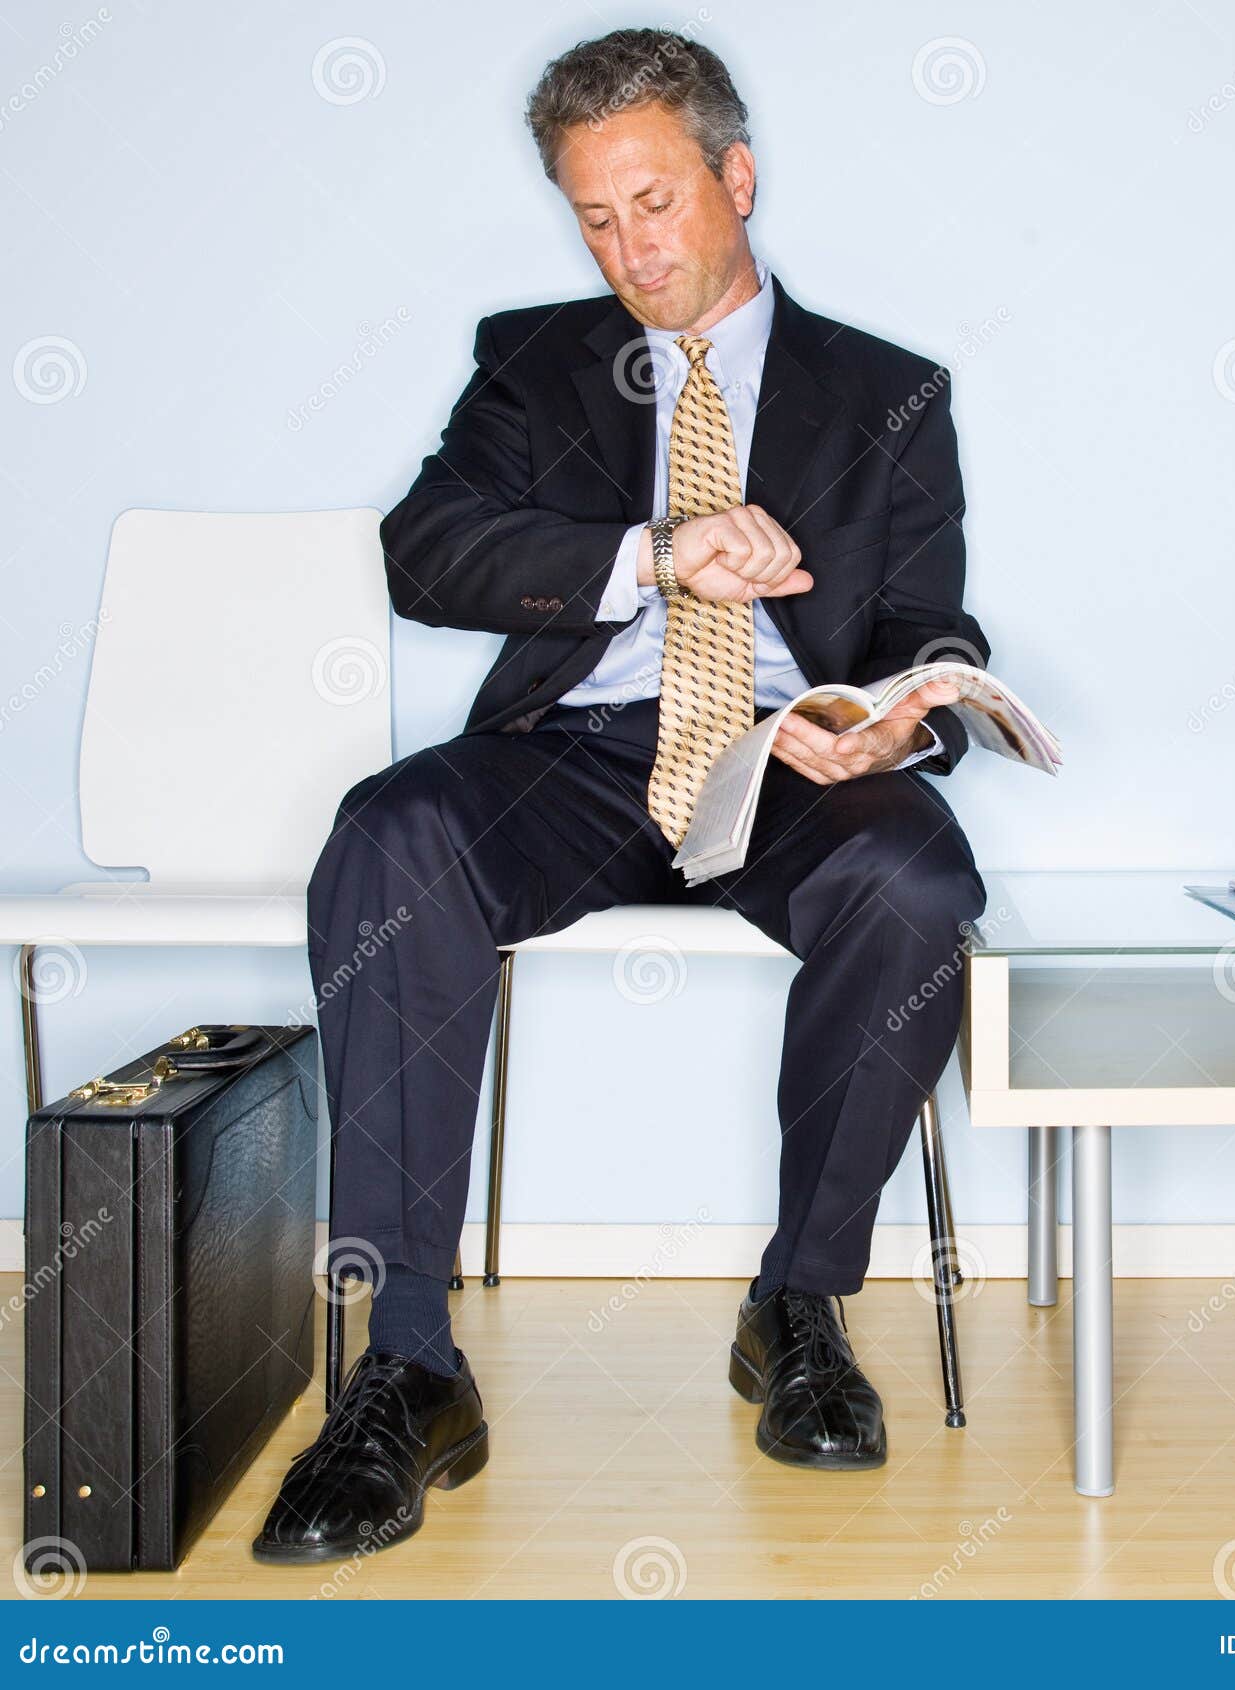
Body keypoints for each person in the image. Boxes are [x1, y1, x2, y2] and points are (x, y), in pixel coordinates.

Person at [255, 26, 989, 1564]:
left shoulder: (888, 393)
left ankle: (799, 1301)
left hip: (786, 763)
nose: (629, 247)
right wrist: (655, 552)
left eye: (654, 202)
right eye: (594, 215)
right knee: (391, 837)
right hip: (575, 757)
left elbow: (935, 628)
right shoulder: (533, 362)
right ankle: (406, 1365)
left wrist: (889, 724)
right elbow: (425, 550)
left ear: (734, 176)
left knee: (918, 881)